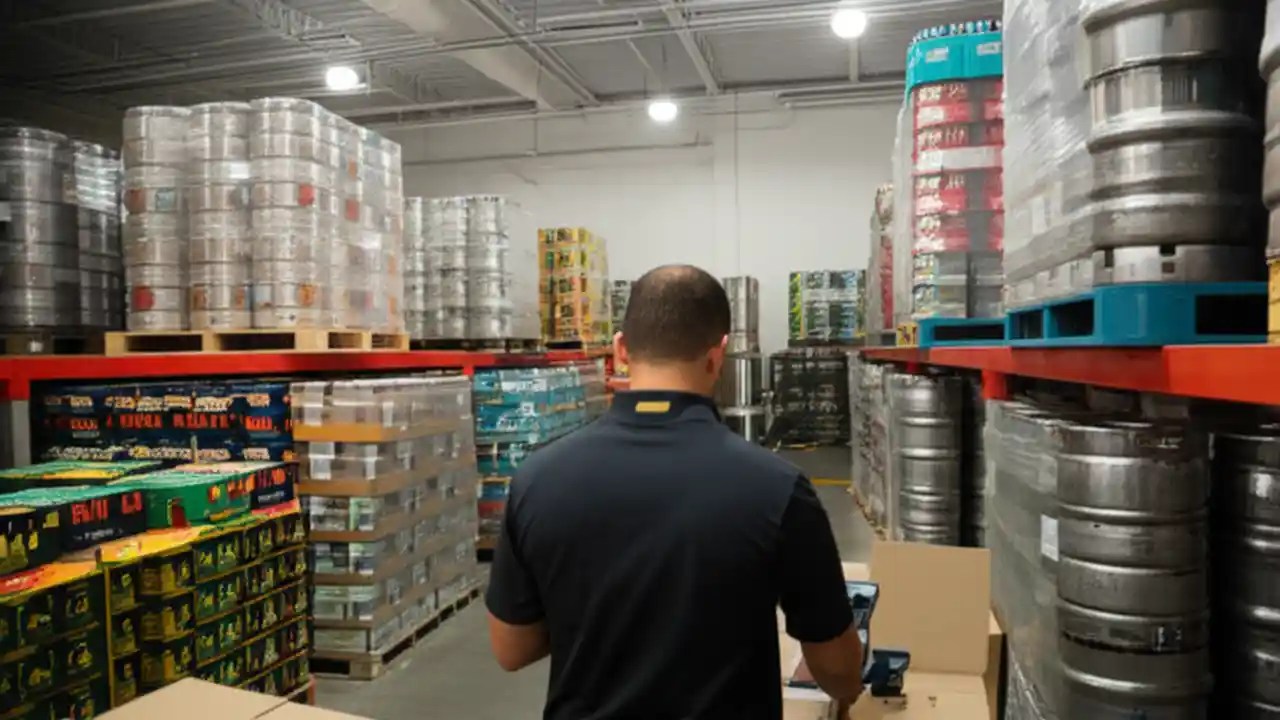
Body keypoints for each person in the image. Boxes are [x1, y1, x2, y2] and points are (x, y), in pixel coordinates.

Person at [485, 264, 864, 719]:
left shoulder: (537, 479)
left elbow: (511, 648)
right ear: (718, 355)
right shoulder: (778, 489)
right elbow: (837, 669)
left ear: (621, 350)